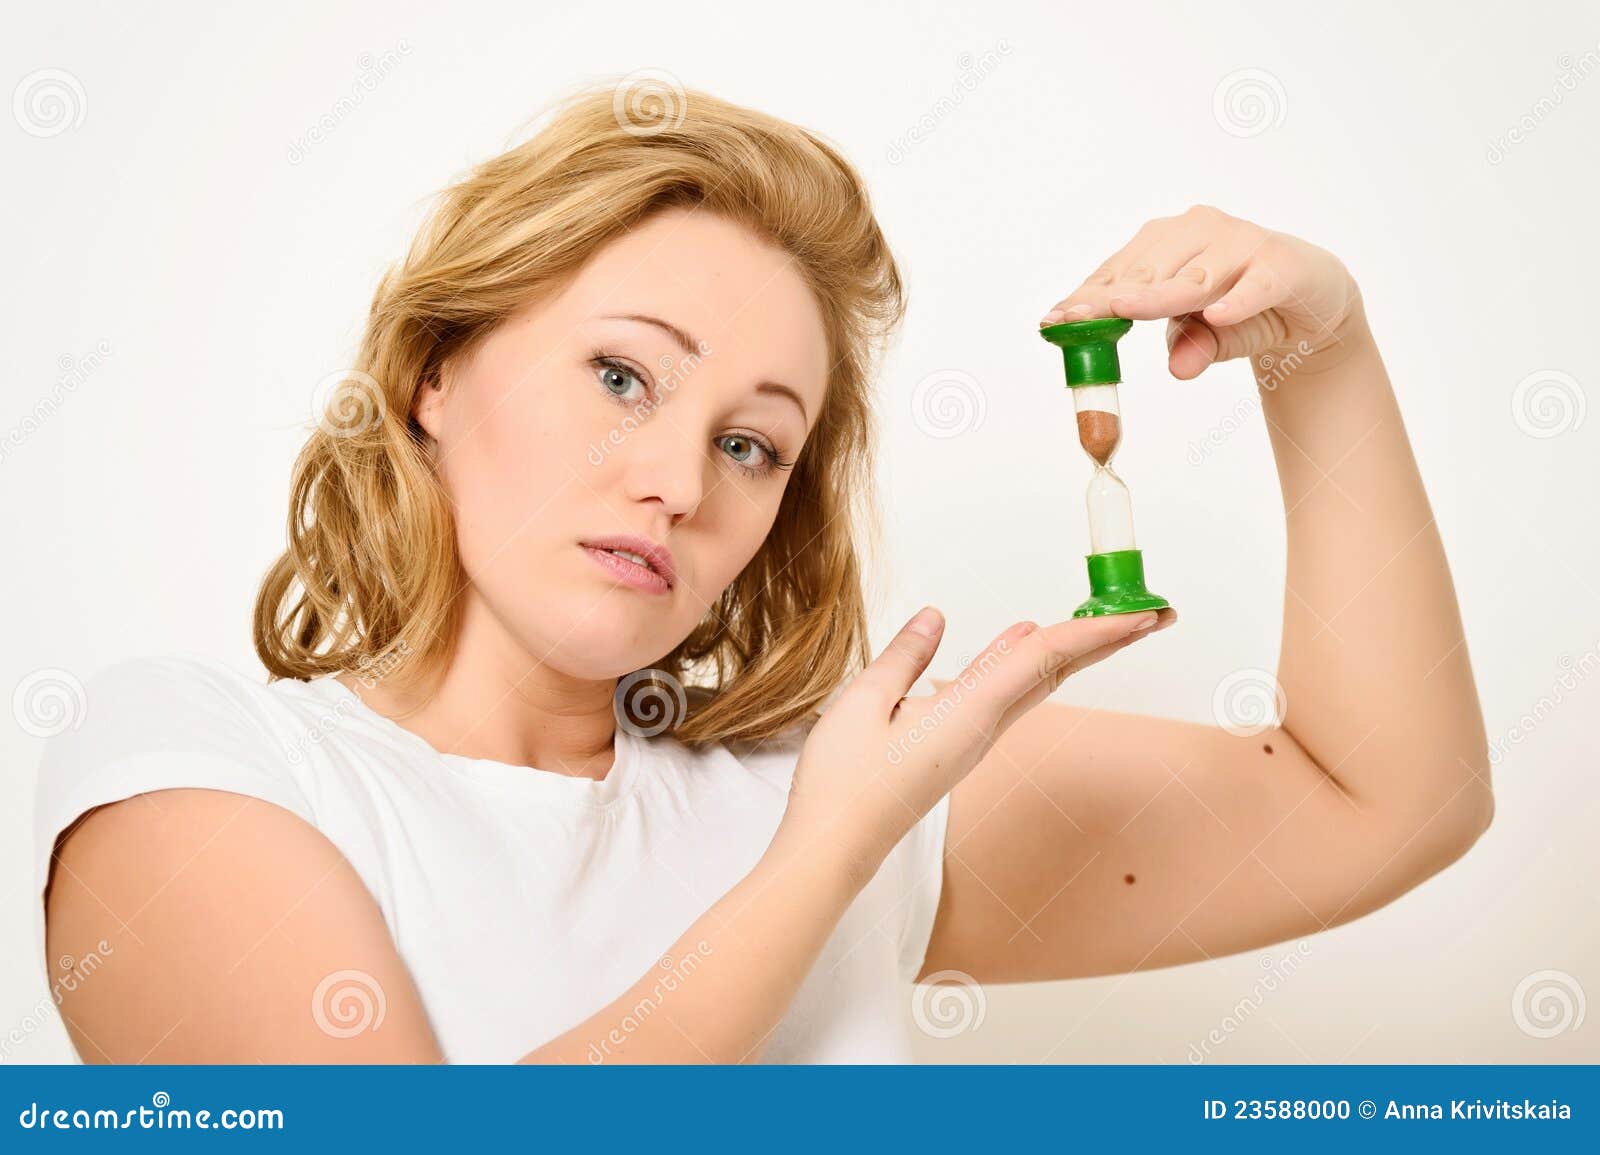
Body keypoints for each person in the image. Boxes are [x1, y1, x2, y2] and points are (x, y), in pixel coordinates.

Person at [35, 81, 1493, 1064]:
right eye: (621, 375)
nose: (676, 479)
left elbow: (1379, 801)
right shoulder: (203, 759)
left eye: (752, 445)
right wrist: (822, 864)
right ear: (432, 371)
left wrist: (1323, 354)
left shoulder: (812, 786)